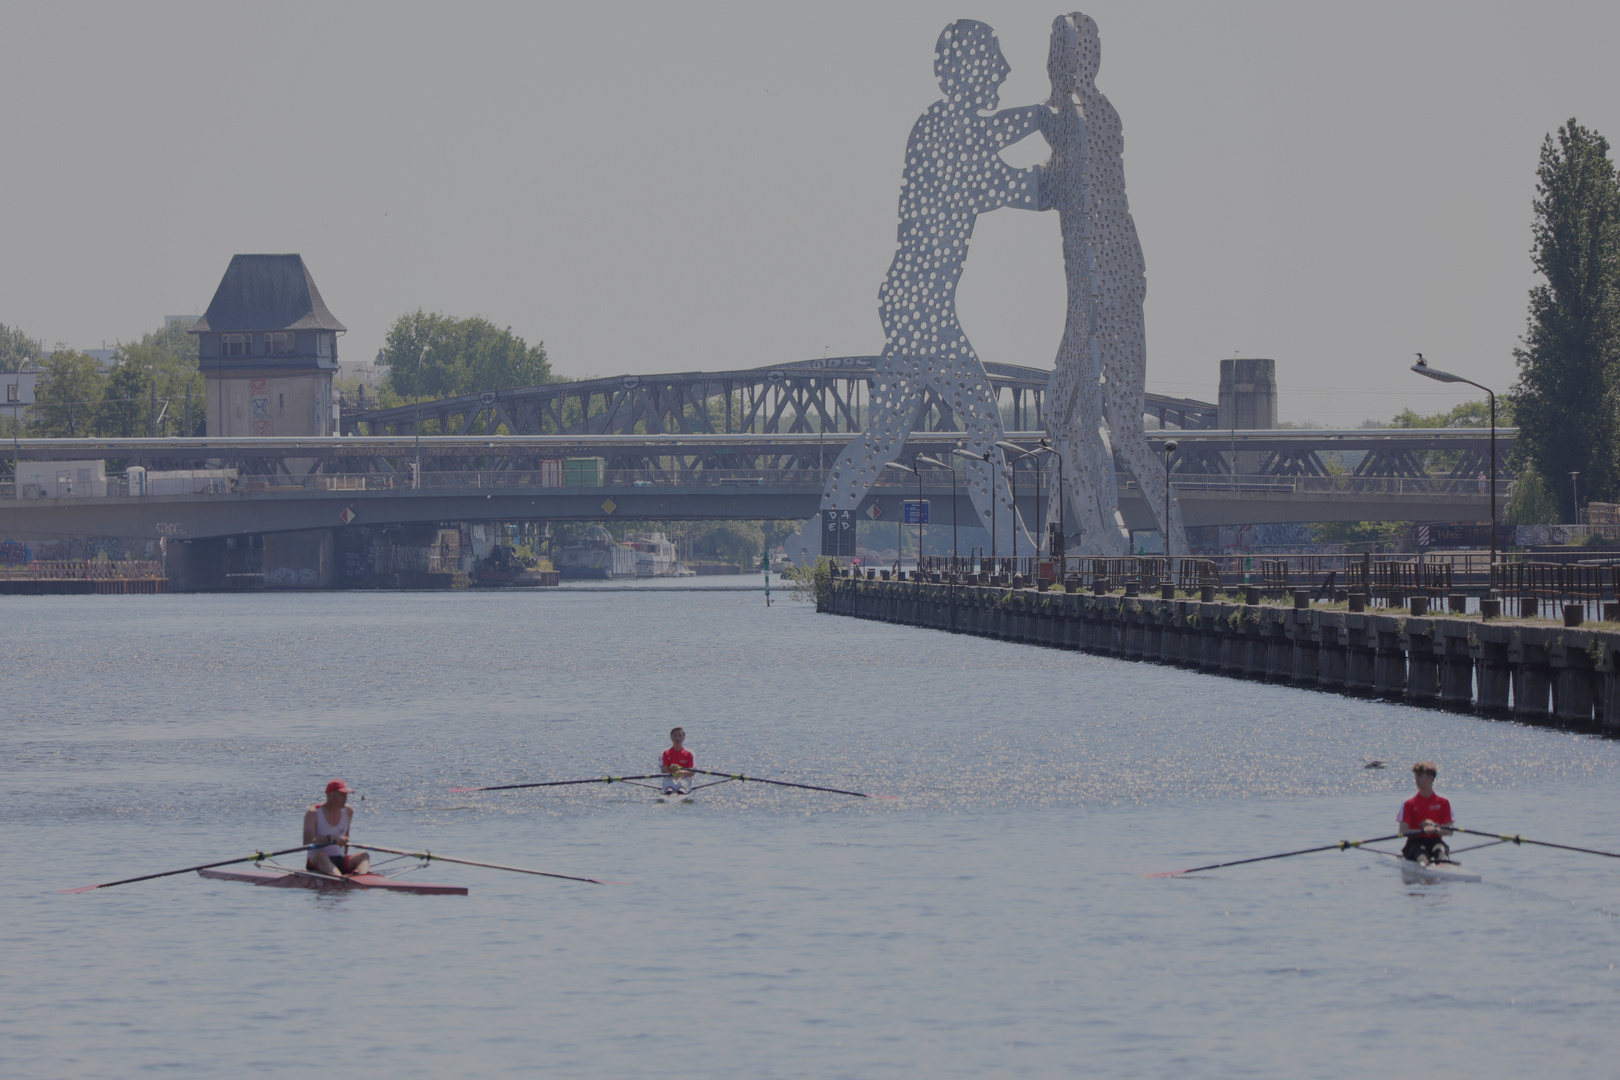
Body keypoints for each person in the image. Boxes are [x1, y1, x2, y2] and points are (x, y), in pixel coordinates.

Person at [303, 778, 370, 878]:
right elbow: (307, 841)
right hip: (317, 860)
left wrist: (346, 840)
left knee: (364, 855)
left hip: (338, 859)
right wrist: (329, 838)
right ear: (330, 796)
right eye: (342, 795)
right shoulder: (313, 813)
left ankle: (361, 877)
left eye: (346, 795)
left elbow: (346, 836)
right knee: (322, 855)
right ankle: (341, 879)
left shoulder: (348, 810)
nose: (345, 798)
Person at [1397, 761, 1454, 863]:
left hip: (1436, 842)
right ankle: (1423, 865)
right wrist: (1423, 829)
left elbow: (1449, 831)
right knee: (1421, 854)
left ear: (1431, 778)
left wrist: (1434, 829)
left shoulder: (1444, 802)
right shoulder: (1408, 803)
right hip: (1415, 843)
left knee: (1440, 851)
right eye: (1416, 777)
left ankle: (1444, 863)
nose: (1416, 780)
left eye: (1420, 776)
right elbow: (1403, 831)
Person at [661, 727, 694, 795]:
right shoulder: (666, 753)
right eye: (675, 735)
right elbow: (664, 770)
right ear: (671, 738)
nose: (677, 738)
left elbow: (691, 772)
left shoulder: (688, 754)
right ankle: (669, 790)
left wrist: (681, 772)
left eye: (680, 735)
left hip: (684, 777)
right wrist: (673, 772)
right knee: (668, 783)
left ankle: (681, 790)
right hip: (670, 777)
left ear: (683, 738)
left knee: (682, 784)